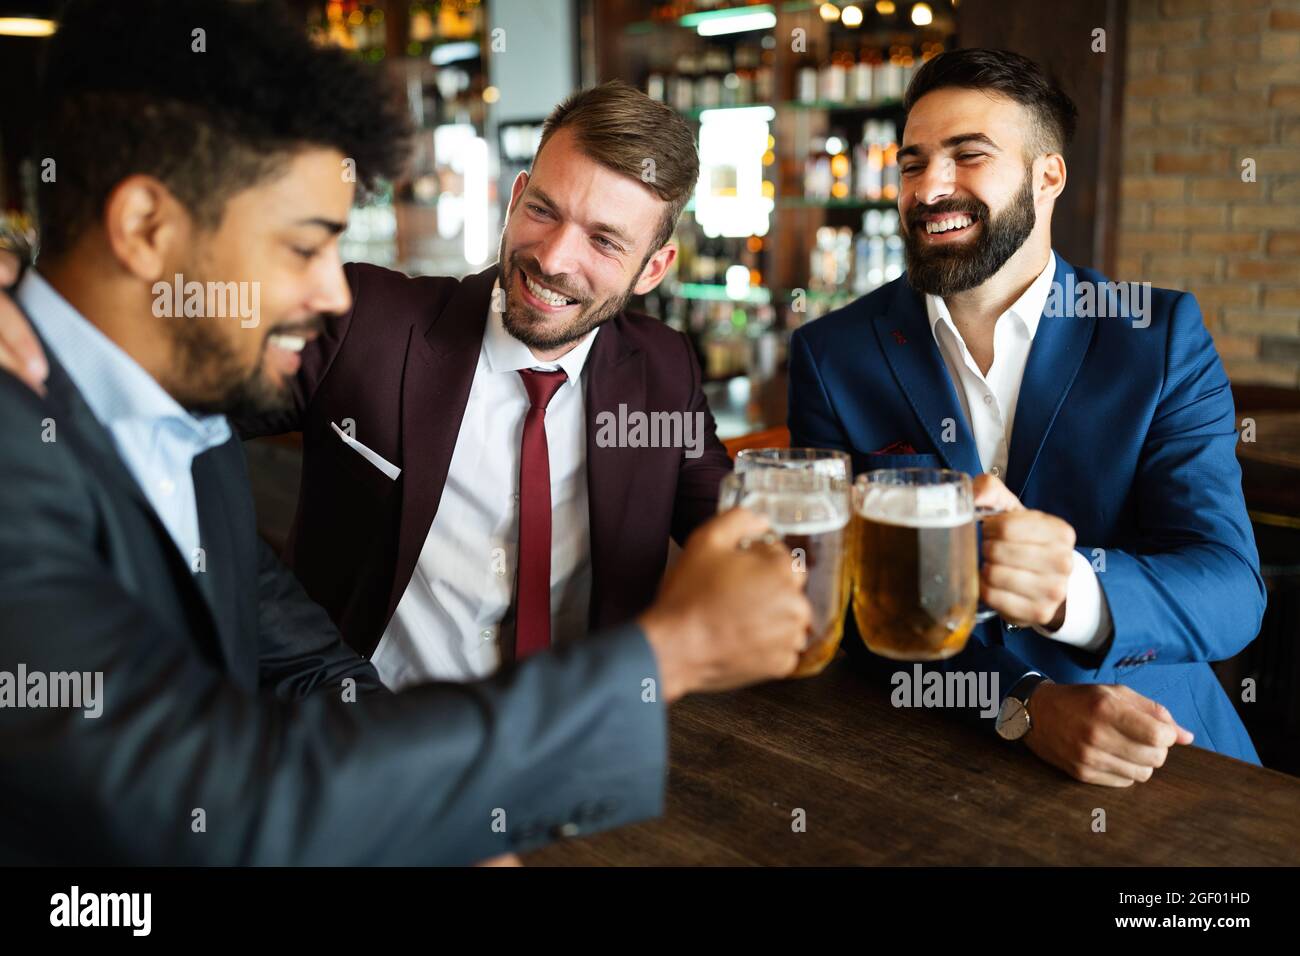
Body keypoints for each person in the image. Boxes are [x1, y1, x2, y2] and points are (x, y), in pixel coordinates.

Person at [0, 0, 810, 865]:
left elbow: (302, 661)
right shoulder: (46, 448)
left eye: (605, 240)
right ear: (147, 229)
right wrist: (671, 653)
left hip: (507, 782)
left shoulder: (177, 433)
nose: (332, 292)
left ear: (653, 267)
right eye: (303, 246)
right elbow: (211, 798)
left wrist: (447, 800)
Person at [788, 48, 1265, 786]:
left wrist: (1071, 593)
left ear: (1049, 175)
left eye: (967, 156)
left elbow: (1230, 587)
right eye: (912, 164)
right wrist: (1022, 703)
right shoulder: (833, 354)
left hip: (1159, 745)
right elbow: (846, 606)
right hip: (926, 745)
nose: (928, 189)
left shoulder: (1156, 336)